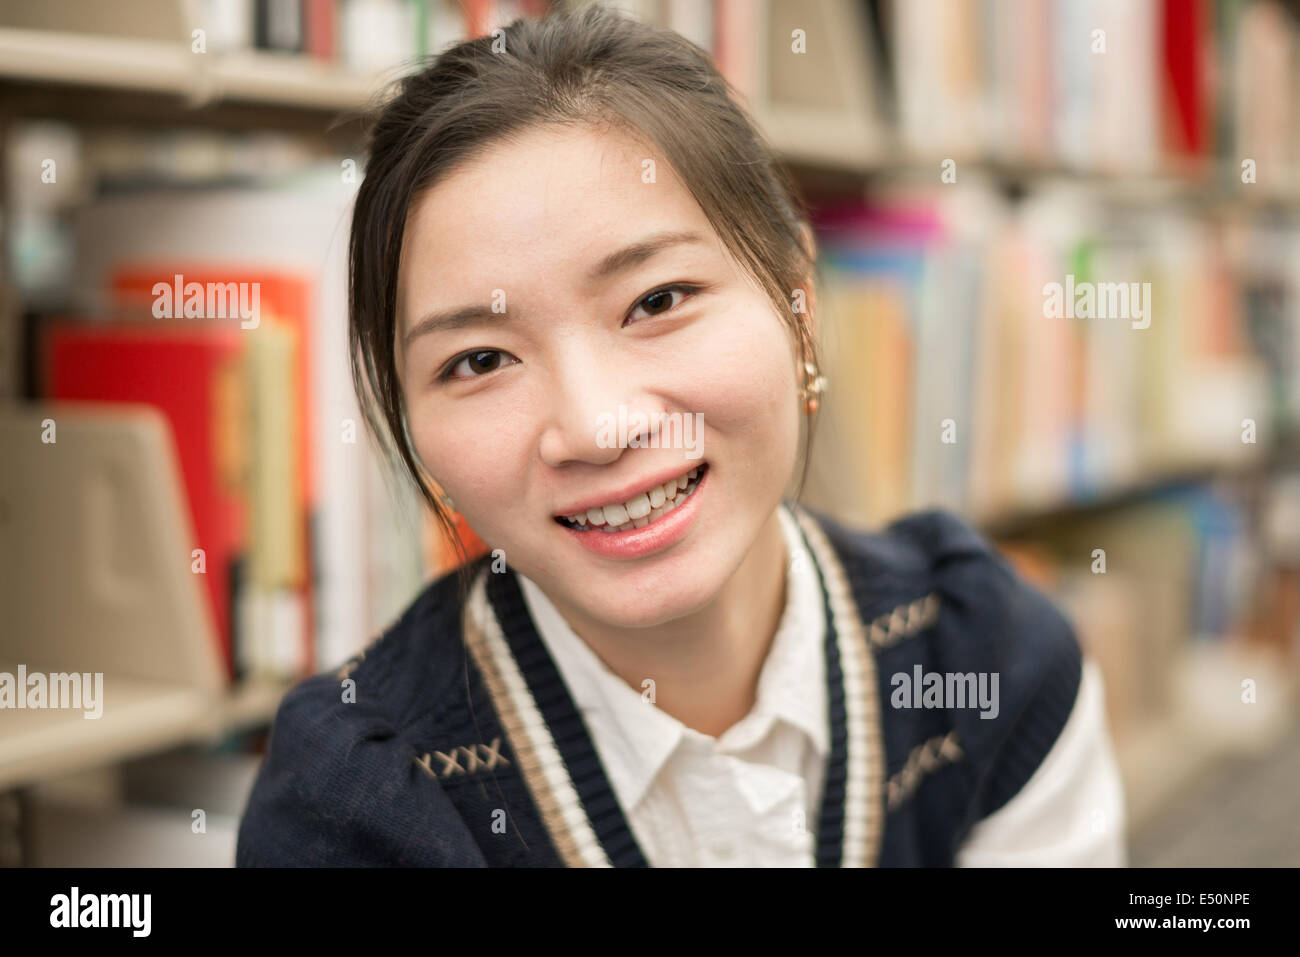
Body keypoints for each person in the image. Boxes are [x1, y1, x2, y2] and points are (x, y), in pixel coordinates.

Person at [236, 3, 1125, 867]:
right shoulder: (356, 800)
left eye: (656, 301)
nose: (594, 426)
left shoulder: (982, 657)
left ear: (798, 303)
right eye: (478, 360)